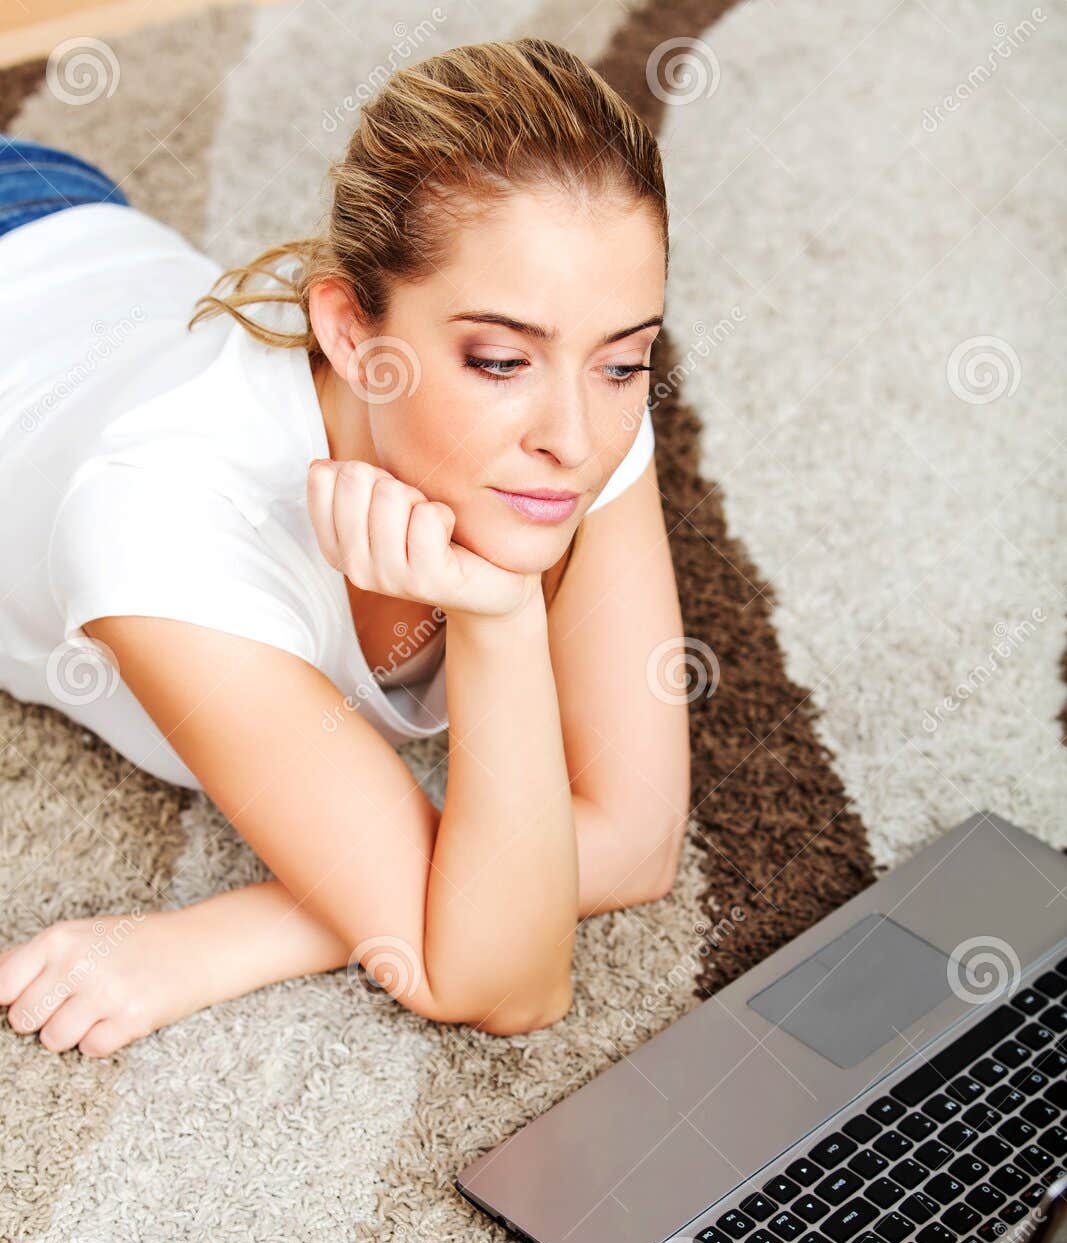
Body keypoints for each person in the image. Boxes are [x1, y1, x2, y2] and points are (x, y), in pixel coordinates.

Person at [0, 38, 689, 1058]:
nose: (576, 438)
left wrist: (226, 934)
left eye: (625, 361)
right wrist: (502, 624)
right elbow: (498, 977)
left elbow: (634, 844)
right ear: (353, 337)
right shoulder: (157, 518)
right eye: (499, 360)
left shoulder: (563, 433)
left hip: (62, 222)